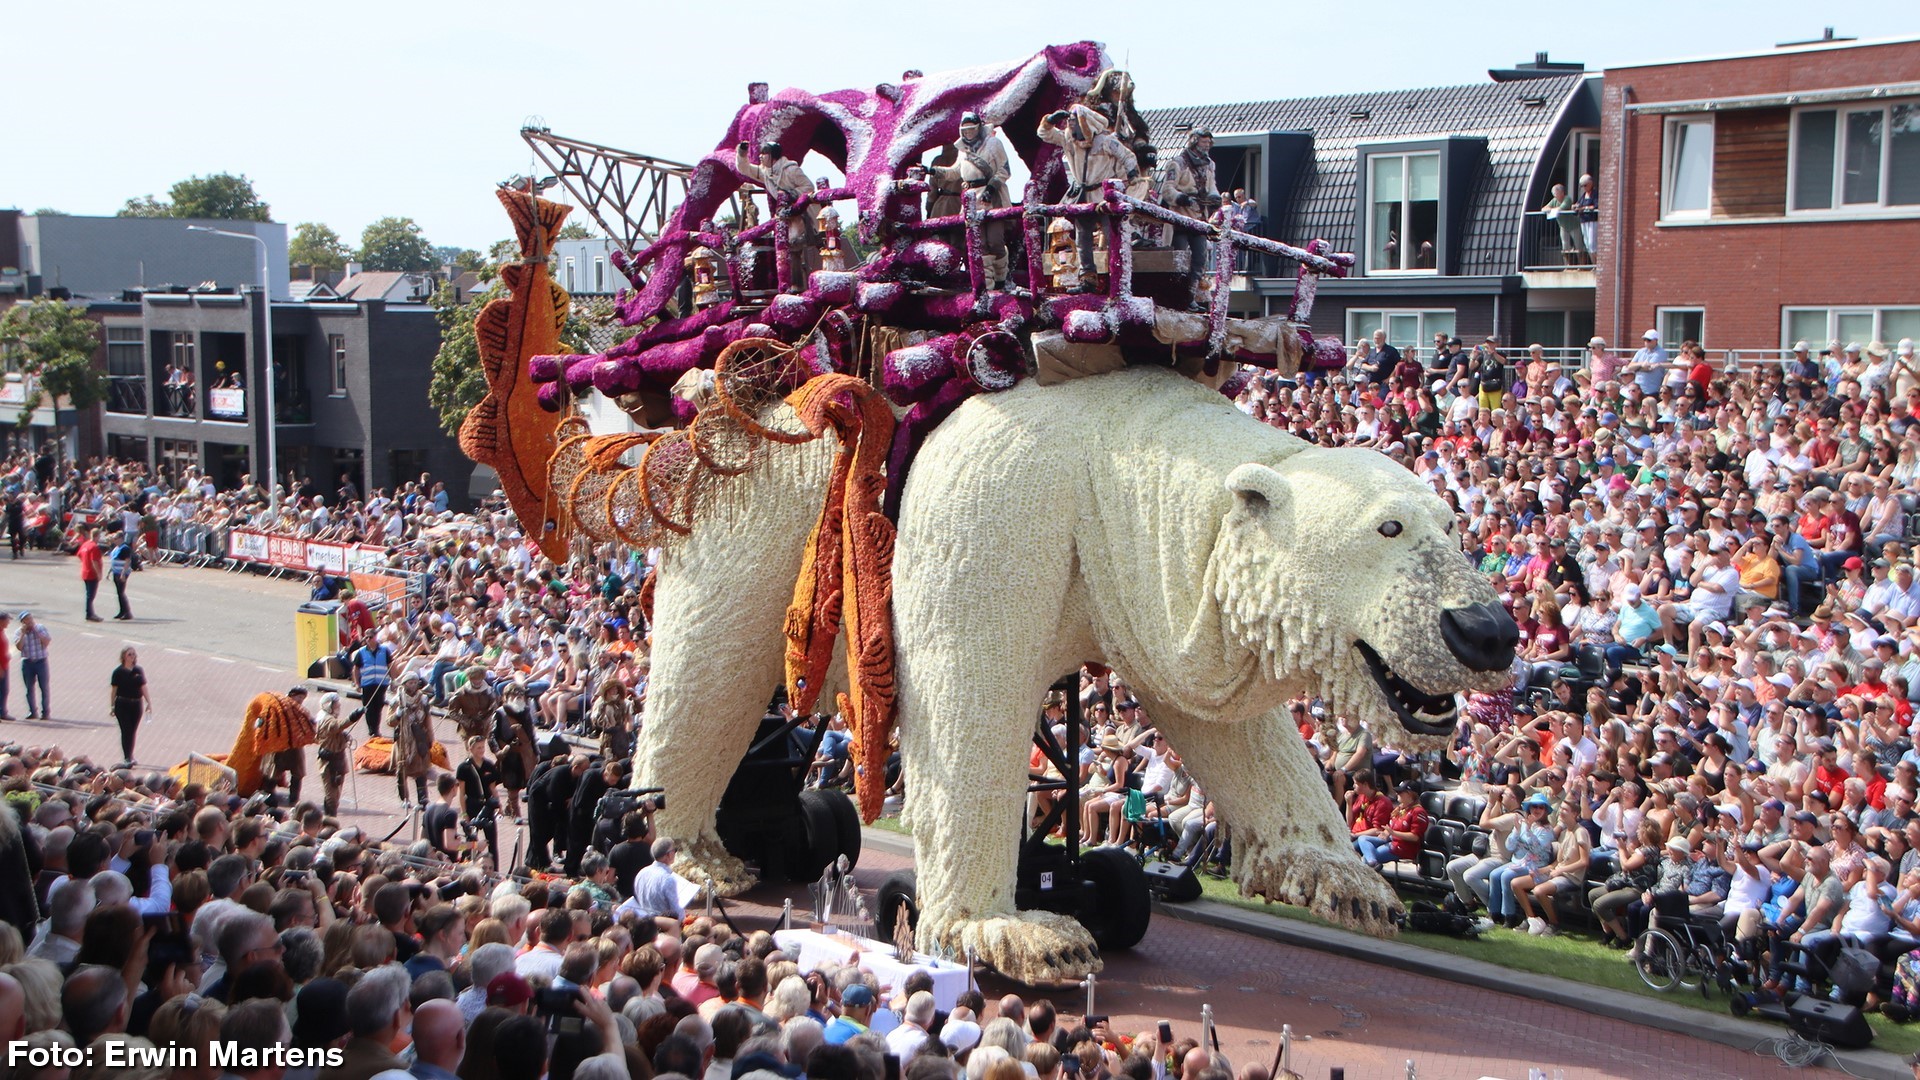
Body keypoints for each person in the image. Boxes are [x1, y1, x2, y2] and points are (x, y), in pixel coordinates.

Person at [107, 645, 151, 766]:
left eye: (134, 654)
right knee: (126, 730)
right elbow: (114, 690)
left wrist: (148, 702)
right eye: (129, 654)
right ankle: (127, 757)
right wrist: (112, 706)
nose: (132, 657)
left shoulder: (138, 670)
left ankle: (130, 754)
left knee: (132, 730)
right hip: (122, 704)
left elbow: (143, 687)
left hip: (136, 704)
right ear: (124, 657)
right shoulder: (118, 672)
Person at [351, 632, 395, 738]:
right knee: (368, 707)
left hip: (381, 683)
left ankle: (376, 728)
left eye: (370, 637)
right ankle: (372, 729)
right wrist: (357, 683)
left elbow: (390, 665)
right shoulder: (361, 652)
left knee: (378, 706)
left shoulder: (384, 650)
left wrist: (393, 680)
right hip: (367, 683)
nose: (368, 639)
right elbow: (356, 669)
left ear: (375, 637)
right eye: (366, 637)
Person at [15, 611, 50, 720]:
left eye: (30, 619)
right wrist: (23, 634)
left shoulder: (40, 628)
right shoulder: (19, 632)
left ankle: (45, 712)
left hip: (41, 661)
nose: (30, 622)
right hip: (28, 662)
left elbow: (46, 642)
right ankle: (32, 711)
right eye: (27, 620)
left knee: (44, 688)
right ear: (22, 622)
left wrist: (36, 632)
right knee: (29, 688)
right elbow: (19, 647)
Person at [107, 530, 137, 620]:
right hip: (116, 571)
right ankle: (122, 611)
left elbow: (127, 561)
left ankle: (127, 612)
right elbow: (113, 560)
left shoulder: (125, 548)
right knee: (119, 593)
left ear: (120, 538)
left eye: (115, 538)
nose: (114, 540)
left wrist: (123, 574)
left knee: (121, 592)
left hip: (121, 572)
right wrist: (109, 571)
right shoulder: (116, 548)